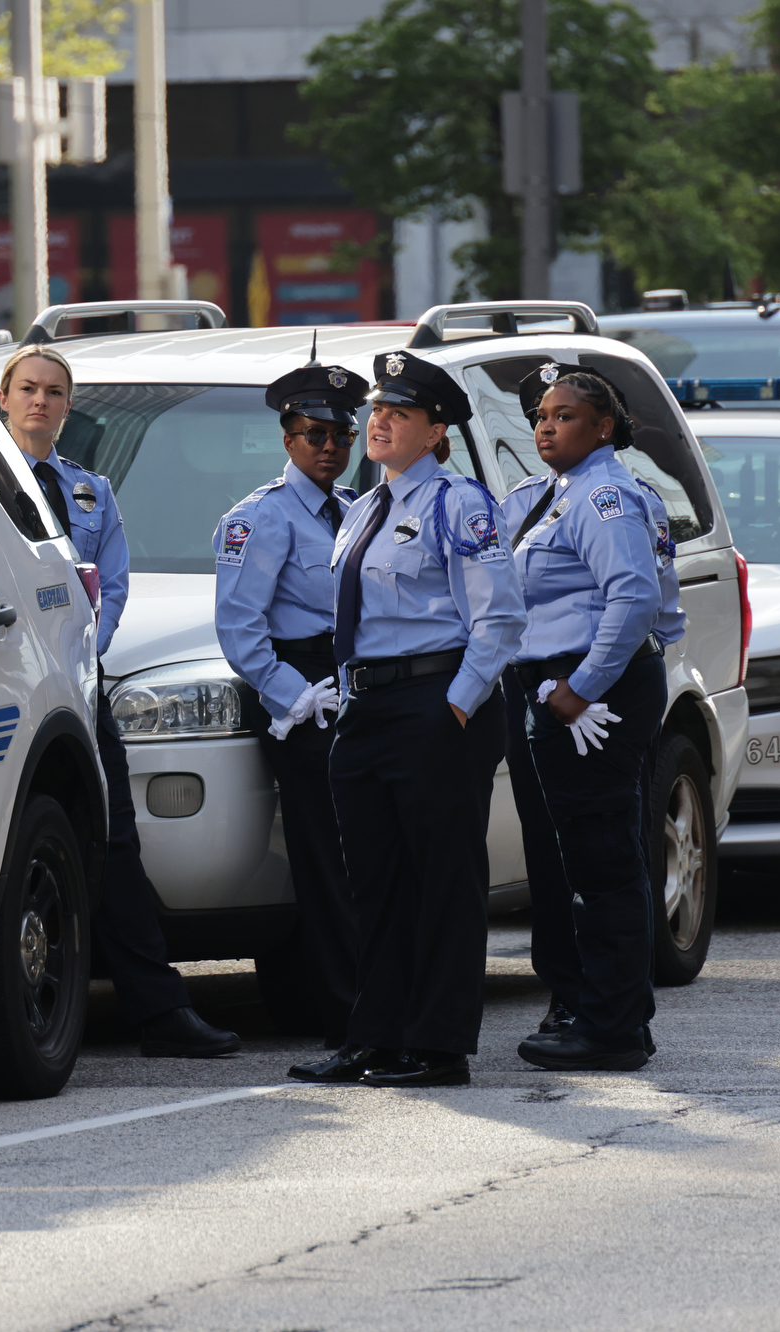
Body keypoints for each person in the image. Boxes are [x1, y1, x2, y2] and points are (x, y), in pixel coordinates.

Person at [0, 343, 241, 1058]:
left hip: (79, 688)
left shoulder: (88, 492)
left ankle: (158, 1011)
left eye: (54, 392)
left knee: (114, 844)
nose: (41, 402)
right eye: (29, 389)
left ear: (69, 408)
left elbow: (114, 586)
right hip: (0, 691)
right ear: (4, 399)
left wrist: (82, 658)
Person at [289, 351, 523, 1088]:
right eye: (377, 412)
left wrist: (455, 704)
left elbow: (500, 618)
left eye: (399, 414)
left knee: (443, 878)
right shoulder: (363, 507)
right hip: (367, 703)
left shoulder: (461, 504)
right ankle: (375, 1035)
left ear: (434, 430)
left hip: (435, 700)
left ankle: (440, 1043)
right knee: (376, 880)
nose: (379, 422)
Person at [502, 358, 684, 1073]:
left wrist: (581, 687)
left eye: (564, 415)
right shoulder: (551, 494)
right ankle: (592, 1007)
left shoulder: (604, 495)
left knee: (602, 860)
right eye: (541, 417)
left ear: (602, 426)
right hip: (552, 686)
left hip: (590, 689)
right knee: (569, 856)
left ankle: (610, 1025)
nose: (547, 426)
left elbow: (635, 600)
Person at [212, 354, 369, 1047]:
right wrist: (296, 698)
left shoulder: (363, 509)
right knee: (327, 858)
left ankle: (370, 994)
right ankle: (344, 1011)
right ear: (287, 438)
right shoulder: (260, 518)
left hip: (358, 681)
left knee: (366, 854)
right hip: (304, 690)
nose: (330, 448)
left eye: (342, 436)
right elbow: (240, 629)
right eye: (315, 435)